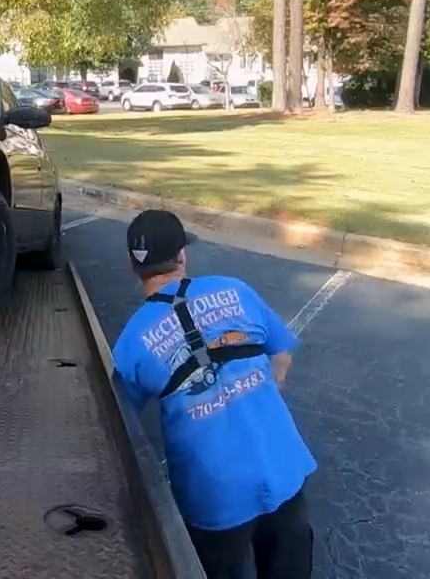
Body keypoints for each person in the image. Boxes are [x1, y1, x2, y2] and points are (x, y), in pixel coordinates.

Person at [111, 209, 317, 579]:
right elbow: (281, 357)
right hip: (281, 464)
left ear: (131, 265)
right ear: (181, 255)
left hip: (213, 495)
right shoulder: (235, 289)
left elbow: (120, 424)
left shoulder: (131, 343)